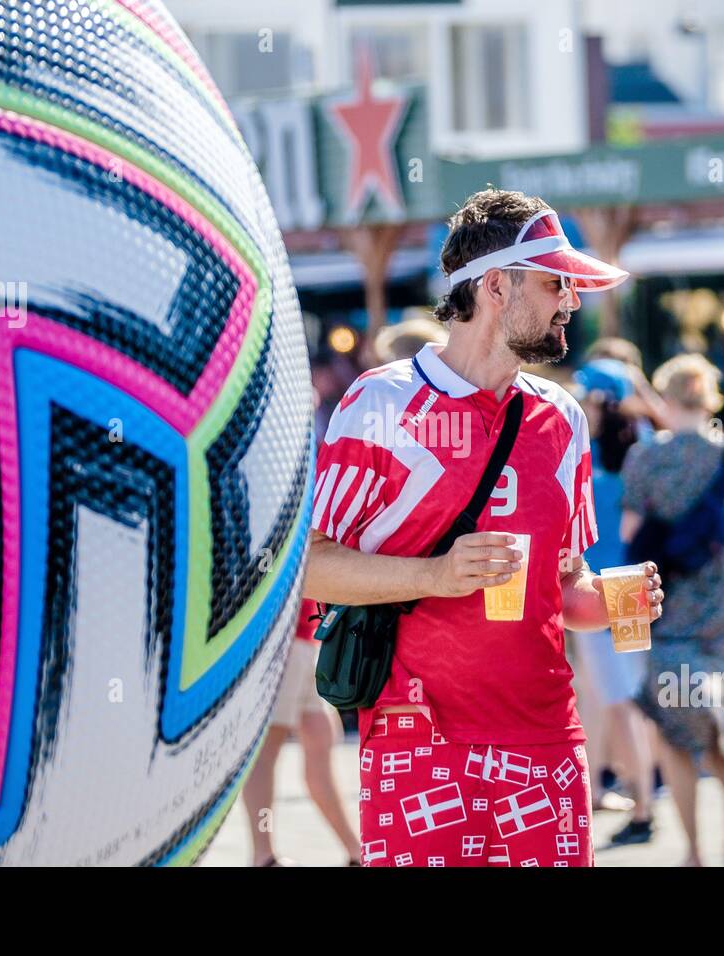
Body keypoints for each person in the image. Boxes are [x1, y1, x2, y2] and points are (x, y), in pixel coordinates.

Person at [302, 189, 664, 868]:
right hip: (419, 746)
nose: (572, 302)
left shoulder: (562, 418)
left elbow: (566, 589)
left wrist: (622, 601)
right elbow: (311, 566)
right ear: (496, 286)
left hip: (547, 747)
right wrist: (435, 575)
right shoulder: (379, 403)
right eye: (556, 282)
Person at [621, 353, 724, 866]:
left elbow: (629, 535)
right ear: (709, 399)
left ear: (666, 394)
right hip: (723, 609)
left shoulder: (645, 458)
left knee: (673, 727)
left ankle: (695, 853)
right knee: (722, 717)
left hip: (666, 607)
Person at [568, 358, 657, 842]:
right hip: (621, 584)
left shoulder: (606, 455)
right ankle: (619, 792)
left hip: (610, 586)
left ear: (603, 401)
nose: (580, 403)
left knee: (618, 700)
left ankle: (643, 808)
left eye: (587, 396)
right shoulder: (637, 451)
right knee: (613, 697)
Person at [240, 599, 362, 866]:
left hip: (306, 635)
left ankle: (356, 853)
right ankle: (263, 857)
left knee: (322, 737)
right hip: (276, 635)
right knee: (266, 748)